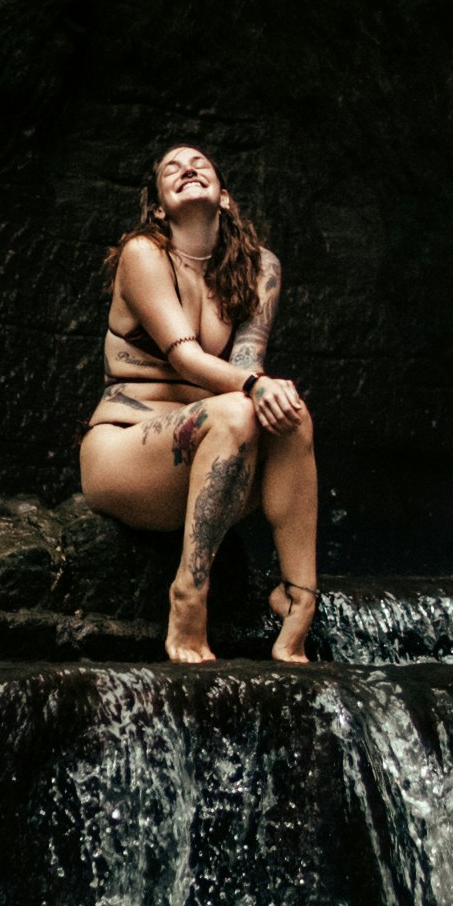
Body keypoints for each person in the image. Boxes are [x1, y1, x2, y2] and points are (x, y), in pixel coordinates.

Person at [77, 141, 321, 664]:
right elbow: (187, 359)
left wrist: (265, 390)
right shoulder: (144, 253)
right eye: (172, 168)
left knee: (291, 417)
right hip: (124, 454)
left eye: (199, 165)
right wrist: (254, 389)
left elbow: (249, 366)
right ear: (160, 206)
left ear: (225, 198)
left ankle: (299, 599)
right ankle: (188, 595)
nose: (187, 169)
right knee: (240, 408)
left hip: (215, 452)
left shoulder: (260, 269)